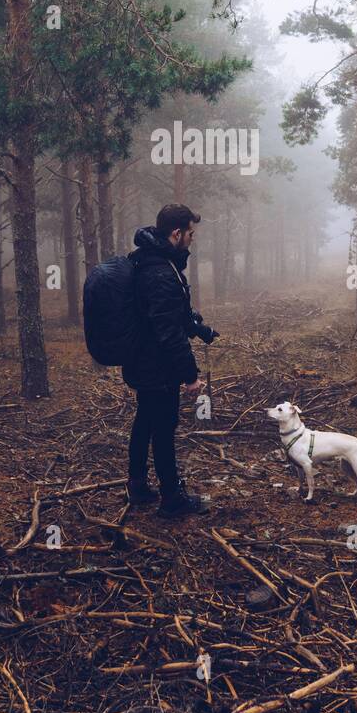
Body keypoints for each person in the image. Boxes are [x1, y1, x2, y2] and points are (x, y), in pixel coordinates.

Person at [122, 204, 219, 518]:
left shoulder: (153, 262)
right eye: (190, 233)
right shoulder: (160, 273)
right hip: (157, 367)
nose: (192, 239)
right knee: (163, 428)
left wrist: (200, 329)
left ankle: (137, 486)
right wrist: (190, 376)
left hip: (144, 362)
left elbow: (171, 318)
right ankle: (171, 499)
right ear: (176, 233)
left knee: (146, 422)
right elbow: (168, 332)